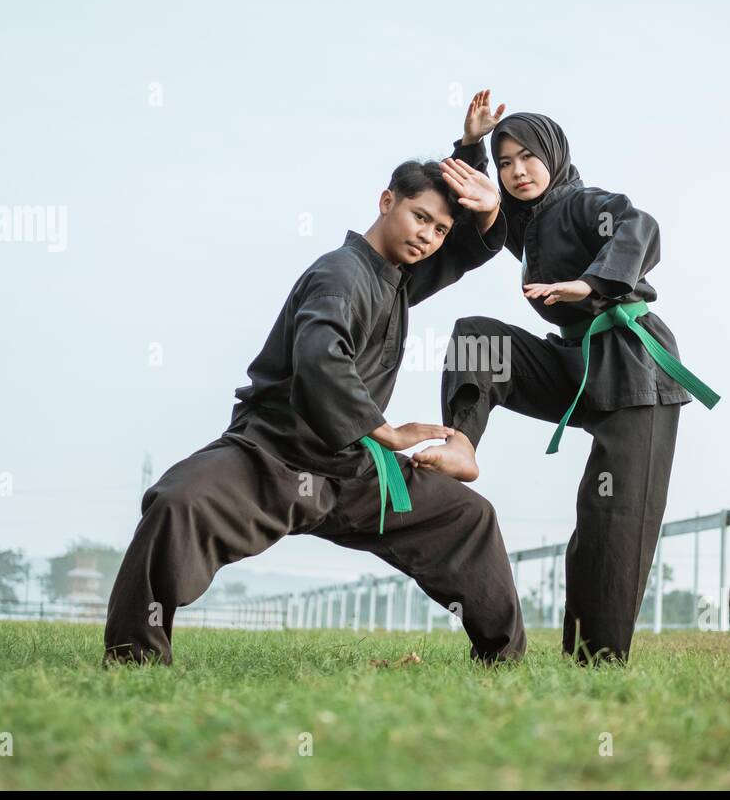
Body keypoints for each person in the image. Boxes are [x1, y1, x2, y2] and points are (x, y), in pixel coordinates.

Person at [104, 154, 527, 666]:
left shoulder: (398, 277)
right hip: (275, 457)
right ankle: (135, 660)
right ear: (386, 200)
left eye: (439, 230)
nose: (429, 237)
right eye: (420, 218)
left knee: (468, 517)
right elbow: (319, 356)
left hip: (353, 473)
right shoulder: (340, 274)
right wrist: (383, 431)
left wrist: (470, 157)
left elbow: (460, 245)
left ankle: (502, 663)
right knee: (176, 502)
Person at [413, 90, 719, 664]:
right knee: (480, 336)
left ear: (553, 155)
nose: (516, 171)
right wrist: (471, 147)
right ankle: (461, 442)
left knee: (608, 525)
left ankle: (595, 663)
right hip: (576, 365)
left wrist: (595, 283)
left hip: (636, 374)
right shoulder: (528, 227)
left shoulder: (581, 203)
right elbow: (482, 211)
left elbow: (640, 224)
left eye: (527, 157)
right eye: (505, 163)